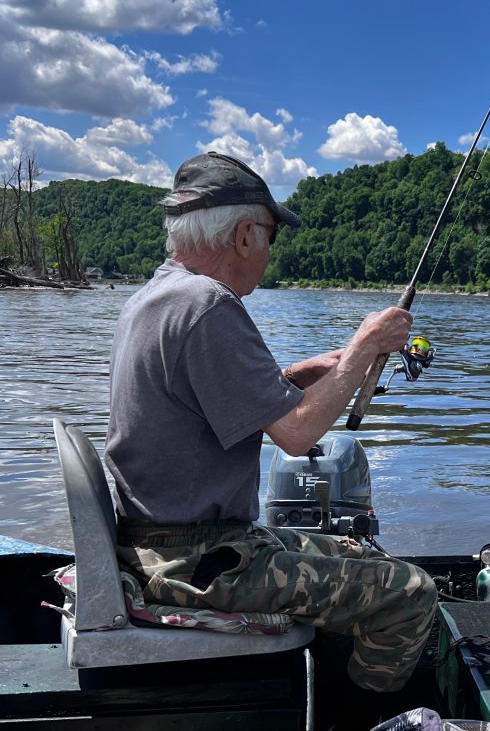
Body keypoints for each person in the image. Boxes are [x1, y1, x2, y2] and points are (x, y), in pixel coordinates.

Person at [105, 151, 436, 694]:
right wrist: (365, 344)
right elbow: (297, 434)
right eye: (270, 235)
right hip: (194, 561)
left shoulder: (158, 296)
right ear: (243, 236)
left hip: (171, 544)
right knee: (411, 592)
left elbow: (216, 398)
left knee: (358, 553)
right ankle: (361, 716)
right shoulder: (207, 306)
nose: (269, 250)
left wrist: (312, 371)